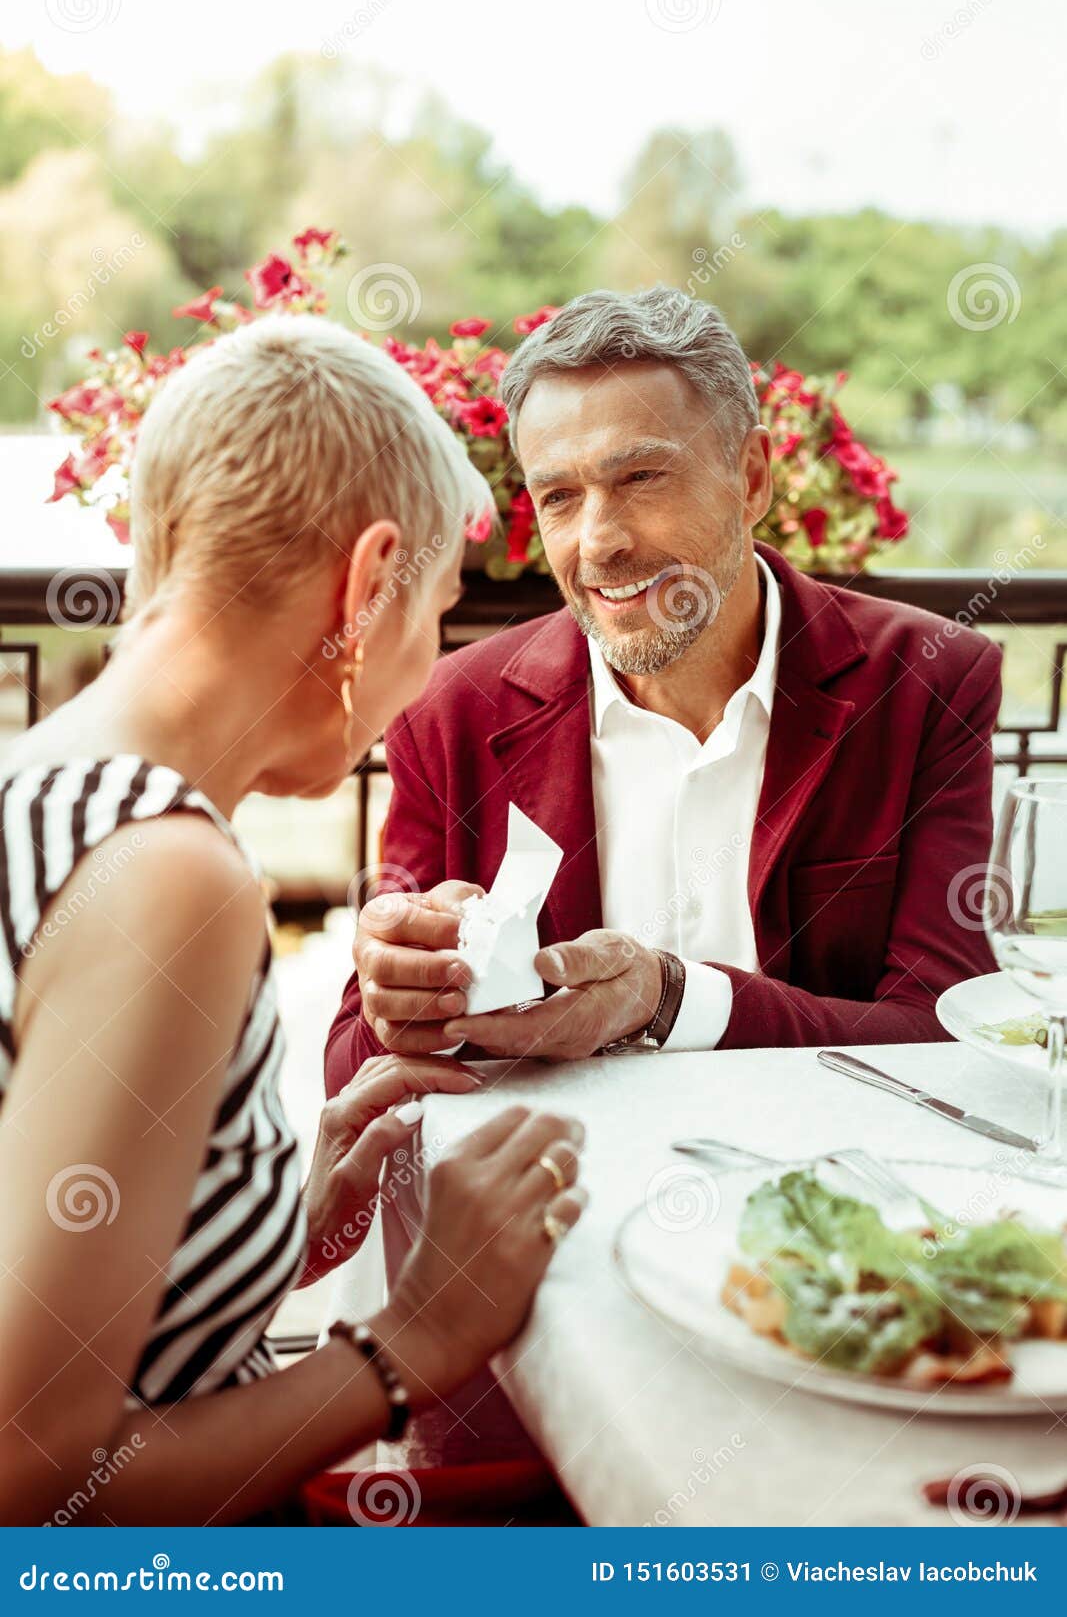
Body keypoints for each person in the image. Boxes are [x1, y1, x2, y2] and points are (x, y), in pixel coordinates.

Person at [0, 315, 585, 1526]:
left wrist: (271, 1210)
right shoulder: (166, 871)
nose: (426, 663)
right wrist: (410, 1338)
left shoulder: (43, 783)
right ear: (366, 587)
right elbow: (29, 1473)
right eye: (434, 608)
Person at [325, 283, 1002, 1089]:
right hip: (560, 1194)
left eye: (642, 477)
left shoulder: (926, 680)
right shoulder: (449, 711)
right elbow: (349, 1066)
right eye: (559, 497)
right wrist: (404, 1004)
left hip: (823, 1178)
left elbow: (946, 1031)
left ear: (750, 478)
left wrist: (672, 999)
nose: (598, 542)